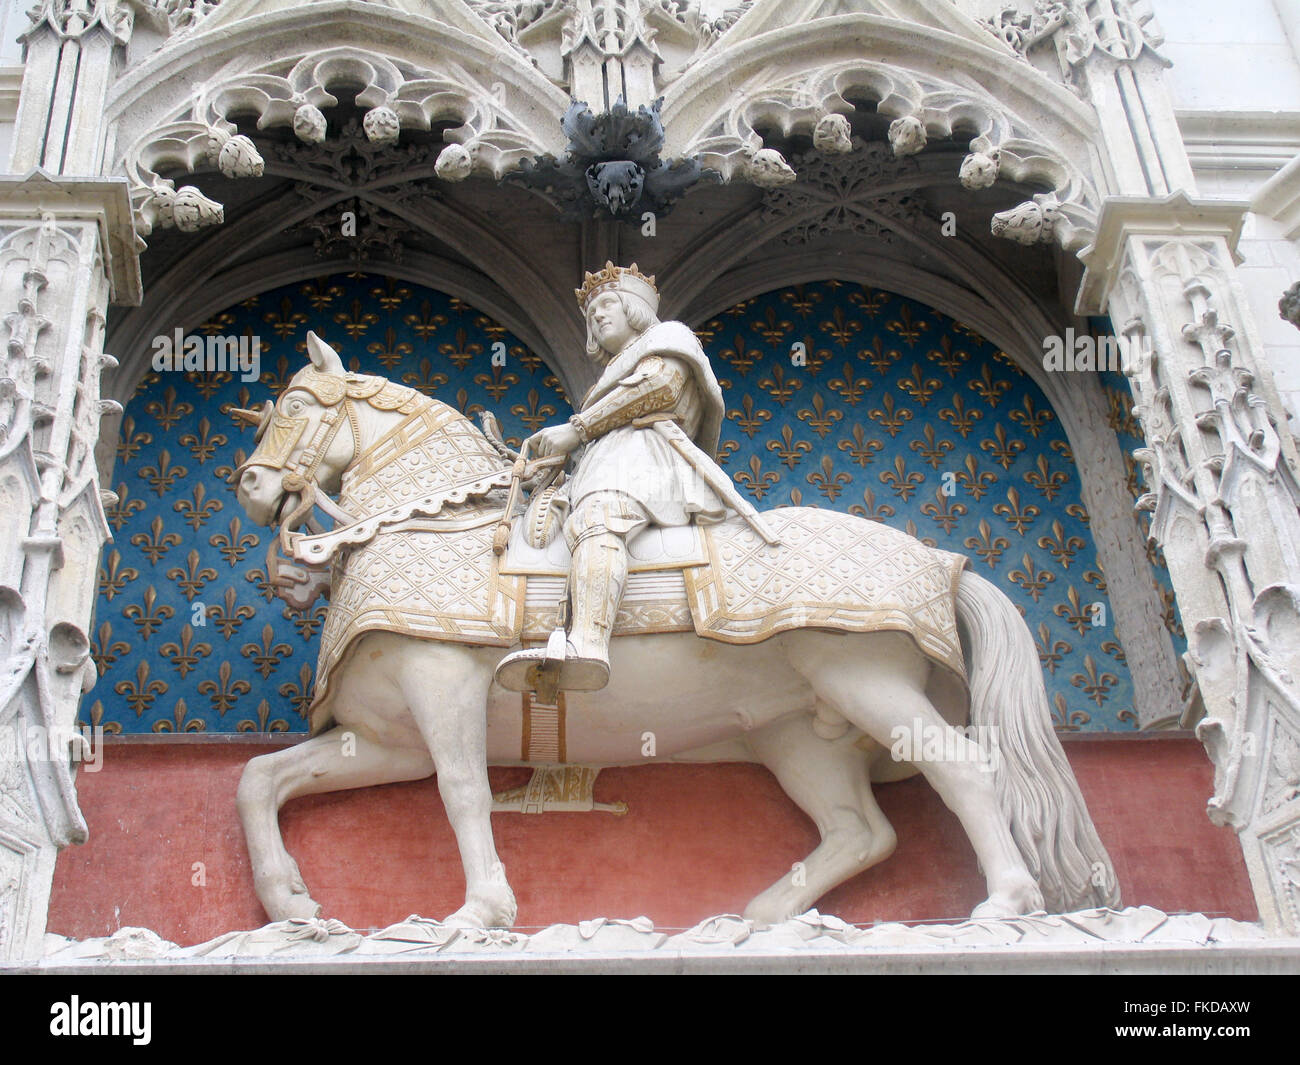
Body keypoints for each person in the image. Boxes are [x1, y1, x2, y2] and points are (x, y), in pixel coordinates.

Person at [493, 261, 736, 694]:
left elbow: (659, 388)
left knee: (599, 517)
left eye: (607, 305)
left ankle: (588, 641)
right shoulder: (616, 368)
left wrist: (578, 429)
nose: (598, 316)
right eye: (591, 314)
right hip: (611, 459)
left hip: (645, 459)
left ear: (636, 309)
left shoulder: (671, 337)